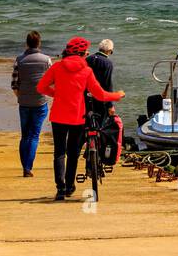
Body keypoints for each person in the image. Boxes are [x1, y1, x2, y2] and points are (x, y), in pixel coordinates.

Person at [36, 36, 124, 200]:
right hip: (77, 117)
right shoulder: (86, 71)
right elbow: (100, 94)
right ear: (83, 54)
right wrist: (117, 95)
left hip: (58, 116)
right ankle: (70, 185)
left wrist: (57, 94)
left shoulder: (57, 67)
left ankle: (60, 188)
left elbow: (41, 87)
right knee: (73, 152)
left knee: (59, 153)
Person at [11, 31, 53, 177]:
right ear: (39, 43)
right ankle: (28, 167)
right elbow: (51, 81)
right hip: (40, 102)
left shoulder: (19, 60)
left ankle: (25, 166)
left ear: (27, 43)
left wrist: (21, 97)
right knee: (34, 135)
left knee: (25, 135)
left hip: (24, 103)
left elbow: (14, 84)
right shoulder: (46, 60)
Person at [85, 39, 115, 118]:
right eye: (111, 52)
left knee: (87, 121)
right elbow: (108, 84)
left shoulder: (88, 59)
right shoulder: (108, 63)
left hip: (86, 96)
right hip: (100, 97)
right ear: (109, 51)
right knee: (101, 123)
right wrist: (110, 105)